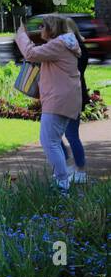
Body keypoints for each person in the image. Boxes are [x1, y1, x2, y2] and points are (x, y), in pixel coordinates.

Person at [14, 14, 83, 194]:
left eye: (43, 26)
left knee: (49, 142)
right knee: (52, 141)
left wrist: (21, 34)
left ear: (51, 28)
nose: (40, 30)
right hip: (64, 100)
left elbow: (30, 53)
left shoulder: (59, 45)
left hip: (58, 101)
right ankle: (61, 181)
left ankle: (62, 185)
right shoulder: (63, 44)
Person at [61, 16, 90, 184]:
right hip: (70, 94)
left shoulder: (76, 48)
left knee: (71, 134)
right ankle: (70, 164)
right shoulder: (75, 47)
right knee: (56, 135)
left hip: (73, 95)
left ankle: (80, 169)